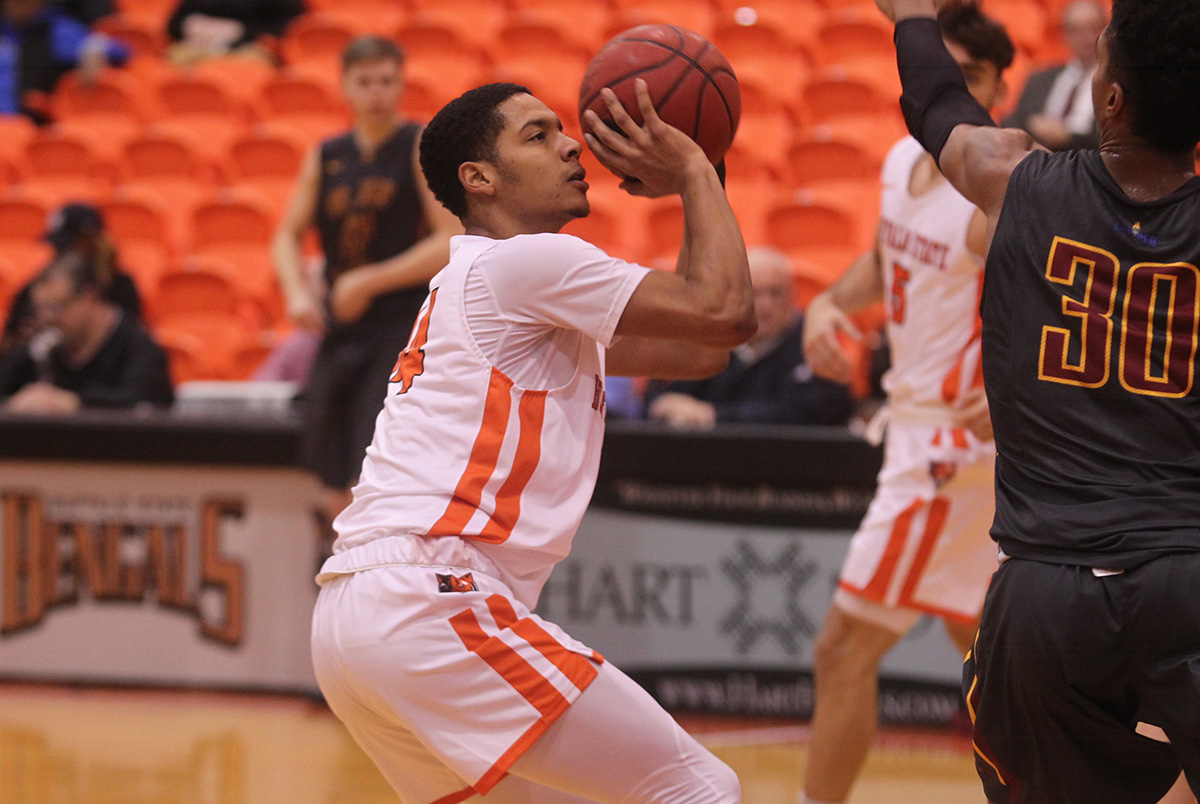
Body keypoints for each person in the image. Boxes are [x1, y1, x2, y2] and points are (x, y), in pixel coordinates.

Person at [309, 80, 755, 802]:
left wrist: (705, 183)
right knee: (697, 787)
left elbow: (701, 349)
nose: (571, 144)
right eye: (538, 135)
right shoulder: (523, 263)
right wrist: (698, 172)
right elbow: (726, 312)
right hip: (430, 597)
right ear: (478, 179)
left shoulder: (495, 291)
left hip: (351, 617)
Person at [872, 0, 1200, 802]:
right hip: (1188, 573)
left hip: (1047, 589)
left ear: (1111, 100)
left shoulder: (1021, 182)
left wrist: (914, 15)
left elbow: (936, 106)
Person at [797, 5, 1012, 802]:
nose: (953, 84)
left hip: (948, 450)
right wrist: (826, 308)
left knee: (842, 648)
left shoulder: (993, 190)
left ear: (998, 88)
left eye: (973, 74)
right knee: (990, 659)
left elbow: (1066, 297)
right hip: (921, 439)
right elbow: (883, 257)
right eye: (944, 66)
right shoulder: (897, 161)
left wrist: (1014, 390)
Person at [272, 35, 461, 542]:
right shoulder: (327, 155)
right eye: (365, 81)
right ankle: (342, 575)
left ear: (401, 83)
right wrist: (295, 291)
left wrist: (371, 280)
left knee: (370, 465)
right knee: (327, 473)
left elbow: (452, 239)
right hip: (342, 324)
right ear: (345, 87)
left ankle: (372, 577)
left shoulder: (419, 146)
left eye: (387, 80)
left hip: (400, 321)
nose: (377, 92)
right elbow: (286, 235)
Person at [647, 245, 853, 428]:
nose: (766, 307)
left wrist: (714, 415)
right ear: (733, 296)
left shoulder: (813, 341)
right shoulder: (709, 339)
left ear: (793, 294)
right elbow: (660, 396)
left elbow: (815, 411)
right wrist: (666, 404)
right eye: (755, 293)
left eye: (775, 293)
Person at [0, 251, 173, 411]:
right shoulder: (42, 347)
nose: (48, 318)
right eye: (40, 309)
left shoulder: (138, 346)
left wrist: (72, 403)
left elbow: (145, 401)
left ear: (89, 295)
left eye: (56, 307)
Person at [2, 203, 143, 355]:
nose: (62, 253)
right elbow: (9, 340)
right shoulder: (40, 285)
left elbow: (128, 343)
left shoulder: (120, 286)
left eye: (70, 245)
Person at [0, 0, 129, 123]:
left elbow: (119, 50)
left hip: (30, 125)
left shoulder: (55, 30)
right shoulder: (5, 30)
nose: (17, 3)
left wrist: (94, 49)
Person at [1002, 0, 1107, 151]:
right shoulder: (1039, 79)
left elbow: (1121, 140)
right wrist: (1033, 125)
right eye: (1076, 30)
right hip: (1038, 162)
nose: (1087, 38)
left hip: (1090, 164)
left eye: (1094, 28)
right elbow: (1011, 121)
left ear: (1106, 31)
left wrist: (1069, 137)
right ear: (1064, 34)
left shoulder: (1117, 82)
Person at [165, 0, 303, 67]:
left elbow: (287, 27)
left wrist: (241, 31)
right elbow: (174, 25)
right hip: (198, 45)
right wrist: (189, 25)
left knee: (253, 64)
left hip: (249, 48)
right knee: (174, 57)